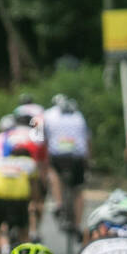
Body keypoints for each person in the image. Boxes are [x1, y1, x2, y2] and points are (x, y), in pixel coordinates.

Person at [0, 138, 39, 249]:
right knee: (23, 231)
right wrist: (35, 202)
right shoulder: (29, 162)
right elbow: (34, 186)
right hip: (19, 200)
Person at [45, 96, 91, 228]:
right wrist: (88, 160)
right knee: (78, 190)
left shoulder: (48, 115)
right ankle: (77, 225)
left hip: (58, 156)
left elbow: (42, 137)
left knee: (53, 172)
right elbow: (87, 139)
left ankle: (59, 204)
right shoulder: (79, 116)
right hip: (77, 157)